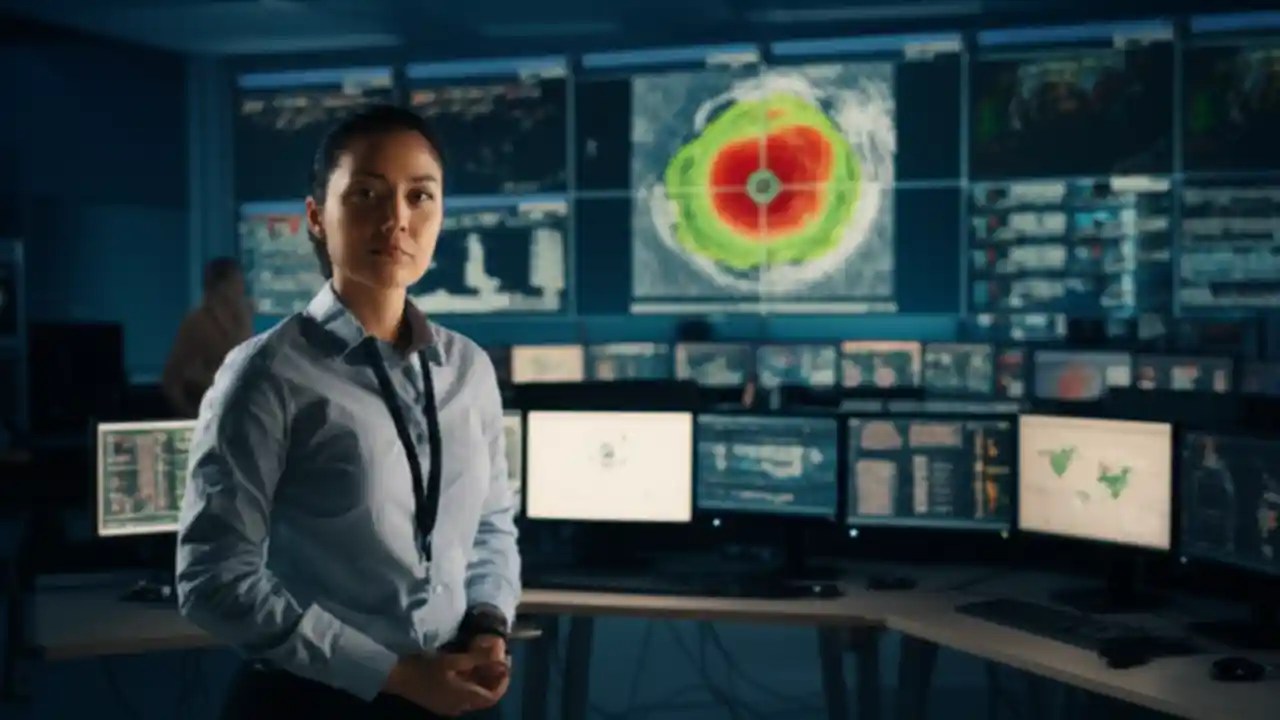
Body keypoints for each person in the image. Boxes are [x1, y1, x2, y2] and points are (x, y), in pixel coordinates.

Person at [175, 105, 521, 719]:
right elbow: (214, 579)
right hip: (316, 700)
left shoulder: (467, 369)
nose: (396, 220)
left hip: (452, 693)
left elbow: (491, 526)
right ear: (316, 217)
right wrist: (392, 676)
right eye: (366, 194)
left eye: (421, 196)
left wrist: (489, 623)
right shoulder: (267, 374)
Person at [161, 258, 253, 417]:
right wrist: (189, 416)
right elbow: (172, 379)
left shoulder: (241, 318)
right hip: (203, 408)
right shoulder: (197, 323)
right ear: (222, 286)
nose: (242, 288)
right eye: (237, 282)